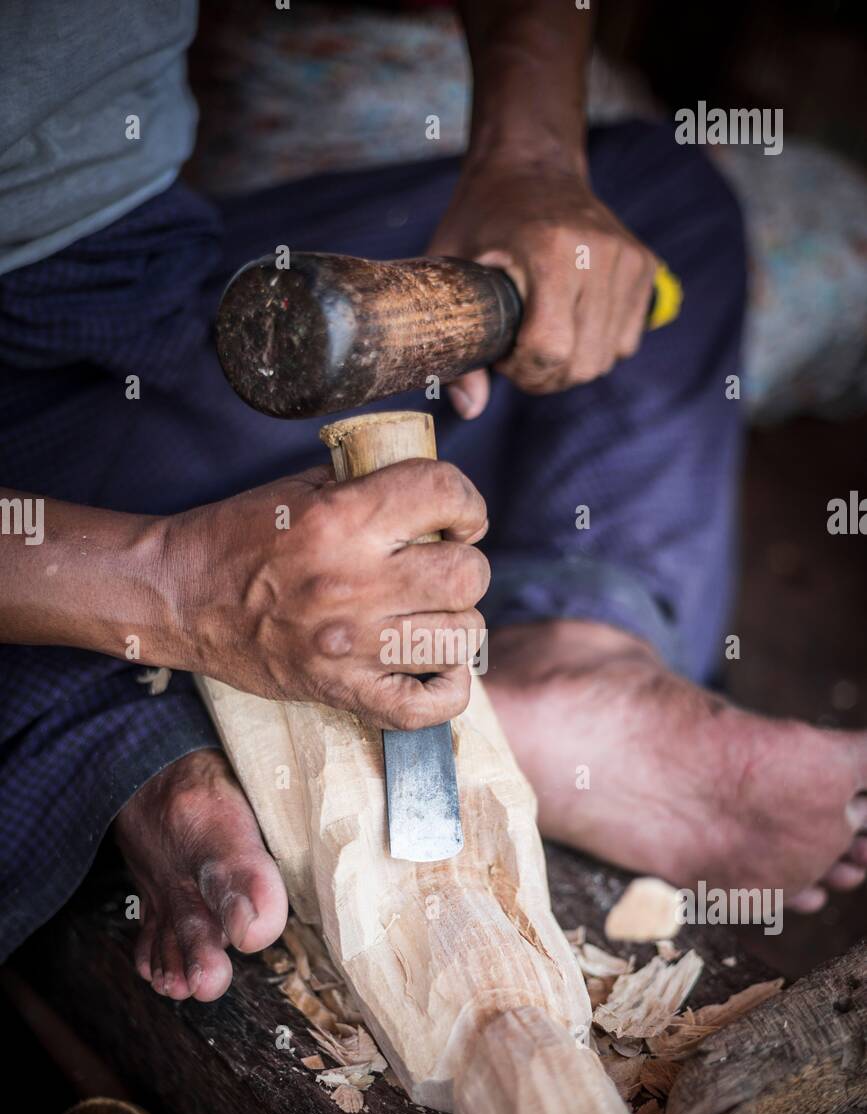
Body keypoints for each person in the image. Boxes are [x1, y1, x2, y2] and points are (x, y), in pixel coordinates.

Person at [1, 1, 864, 1002]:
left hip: (136, 277)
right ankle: (143, 740)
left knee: (655, 204)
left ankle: (578, 657)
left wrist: (530, 151)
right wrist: (171, 586)